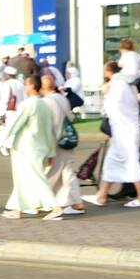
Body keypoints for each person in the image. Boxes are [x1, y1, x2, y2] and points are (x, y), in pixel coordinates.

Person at [84, 62, 140, 208]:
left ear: (108, 72)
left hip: (125, 130)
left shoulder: (118, 85)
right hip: (125, 130)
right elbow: (138, 101)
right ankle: (101, 195)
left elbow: (114, 106)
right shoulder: (129, 84)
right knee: (112, 161)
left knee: (131, 161)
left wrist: (107, 94)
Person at [0, 74, 63, 221]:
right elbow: (48, 131)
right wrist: (50, 152)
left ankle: (55, 207)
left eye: (26, 84)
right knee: (23, 179)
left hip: (26, 148)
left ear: (32, 86)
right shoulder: (43, 105)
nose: (24, 87)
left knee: (36, 179)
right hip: (38, 148)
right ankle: (18, 209)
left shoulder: (28, 104)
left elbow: (15, 124)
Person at [40, 73, 83, 214]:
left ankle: (46, 201)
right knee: (67, 171)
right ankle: (76, 201)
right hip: (67, 138)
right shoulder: (62, 99)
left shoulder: (46, 102)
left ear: (42, 88)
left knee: (50, 173)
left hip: (56, 141)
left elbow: (47, 125)